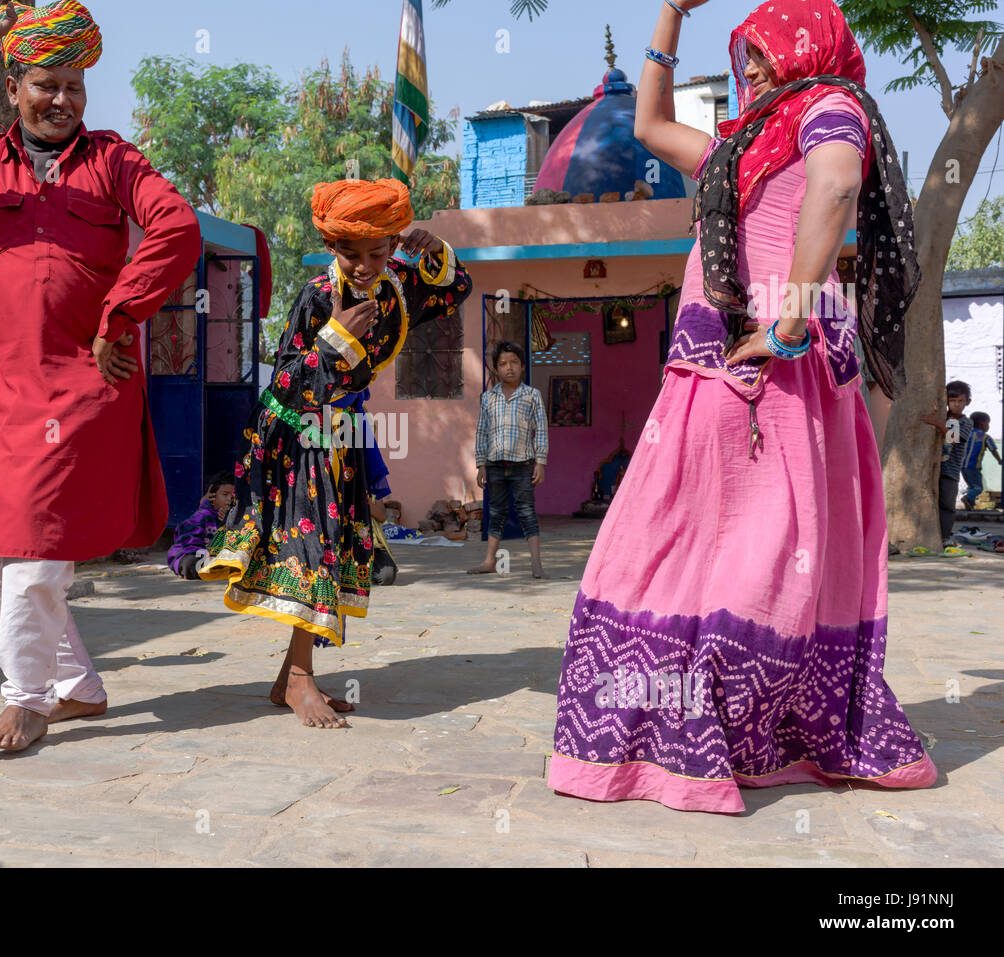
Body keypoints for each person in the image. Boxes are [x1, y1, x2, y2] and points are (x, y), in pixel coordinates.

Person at [547, 0, 936, 813]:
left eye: (759, 52)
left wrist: (790, 321)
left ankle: (725, 729)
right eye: (741, 53)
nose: (747, 68)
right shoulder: (743, 143)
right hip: (712, 357)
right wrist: (669, 16)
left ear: (805, 45)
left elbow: (833, 188)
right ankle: (677, 726)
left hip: (775, 363)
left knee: (764, 547)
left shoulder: (831, 108)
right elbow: (651, 127)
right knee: (668, 533)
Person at [0, 0, 202, 751]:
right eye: (47, 85)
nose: (63, 100)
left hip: (84, 386)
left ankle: (27, 699)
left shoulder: (115, 161)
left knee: (32, 552)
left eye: (76, 86)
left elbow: (177, 227)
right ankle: (79, 687)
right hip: (0, 393)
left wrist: (118, 315)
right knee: (5, 556)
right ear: (16, 82)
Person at [199, 178, 471, 728]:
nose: (366, 263)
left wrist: (435, 253)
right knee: (313, 550)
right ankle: (301, 681)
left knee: (332, 548)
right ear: (332, 247)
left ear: (394, 244)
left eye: (378, 250)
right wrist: (333, 341)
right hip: (295, 438)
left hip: (341, 437)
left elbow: (453, 289)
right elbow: (290, 380)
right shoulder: (317, 296)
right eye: (351, 252)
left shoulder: (396, 288)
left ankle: (287, 679)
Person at [469, 342, 549, 578]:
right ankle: (489, 560)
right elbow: (481, 432)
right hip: (494, 466)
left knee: (526, 511)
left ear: (522, 366)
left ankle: (536, 563)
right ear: (496, 369)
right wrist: (481, 464)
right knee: (496, 512)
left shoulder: (532, 395)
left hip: (522, 465)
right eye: (503, 364)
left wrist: (540, 462)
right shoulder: (488, 398)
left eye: (514, 362)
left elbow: (541, 430)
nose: (509, 368)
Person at [921, 381, 972, 546]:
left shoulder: (966, 422)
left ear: (967, 402)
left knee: (947, 505)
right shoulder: (944, 416)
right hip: (934, 469)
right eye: (952, 401)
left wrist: (937, 423)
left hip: (950, 472)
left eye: (960, 401)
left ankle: (945, 537)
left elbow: (954, 438)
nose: (956, 405)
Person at [167, 472, 235, 580]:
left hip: (214, 558)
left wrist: (225, 522)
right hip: (193, 554)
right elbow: (188, 542)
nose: (229, 500)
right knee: (190, 564)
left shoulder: (232, 517)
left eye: (233, 496)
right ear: (212, 494)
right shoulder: (202, 516)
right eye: (225, 494)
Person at [961, 411, 998, 510]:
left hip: (963, 466)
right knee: (978, 488)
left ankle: (970, 506)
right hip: (973, 466)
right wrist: (999, 460)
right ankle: (967, 498)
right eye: (988, 423)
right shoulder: (984, 436)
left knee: (971, 487)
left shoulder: (967, 434)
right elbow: (993, 449)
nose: (988, 426)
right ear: (982, 423)